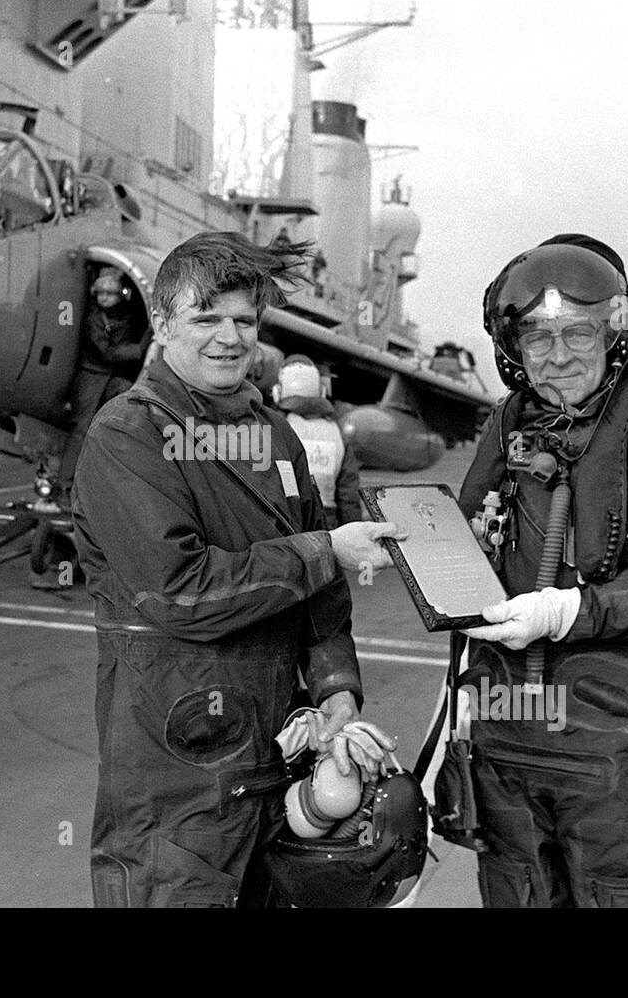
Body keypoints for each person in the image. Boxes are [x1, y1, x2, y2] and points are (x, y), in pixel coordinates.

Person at [71, 232, 407, 907]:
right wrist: (324, 550)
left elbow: (321, 595)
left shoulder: (275, 434)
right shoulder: (126, 435)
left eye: (244, 320)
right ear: (162, 324)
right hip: (176, 781)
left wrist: (337, 687)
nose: (230, 336)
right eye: (206, 317)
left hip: (275, 764)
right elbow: (182, 591)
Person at [454, 233, 628, 907]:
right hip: (508, 751)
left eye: (578, 333)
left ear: (613, 335)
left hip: (623, 765)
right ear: (512, 350)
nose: (558, 357)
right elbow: (461, 544)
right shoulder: (505, 433)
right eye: (538, 339)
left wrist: (569, 609)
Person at [54, 267, 149, 497]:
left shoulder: (127, 315)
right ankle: (64, 484)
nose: (104, 297)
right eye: (101, 293)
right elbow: (108, 353)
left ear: (121, 295)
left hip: (111, 379)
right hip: (92, 376)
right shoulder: (93, 320)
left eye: (110, 293)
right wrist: (141, 347)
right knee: (81, 427)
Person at [272, 354, 362, 528]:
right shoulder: (336, 433)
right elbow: (348, 497)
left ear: (278, 392)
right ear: (320, 391)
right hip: (326, 524)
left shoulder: (276, 428)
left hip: (286, 521)